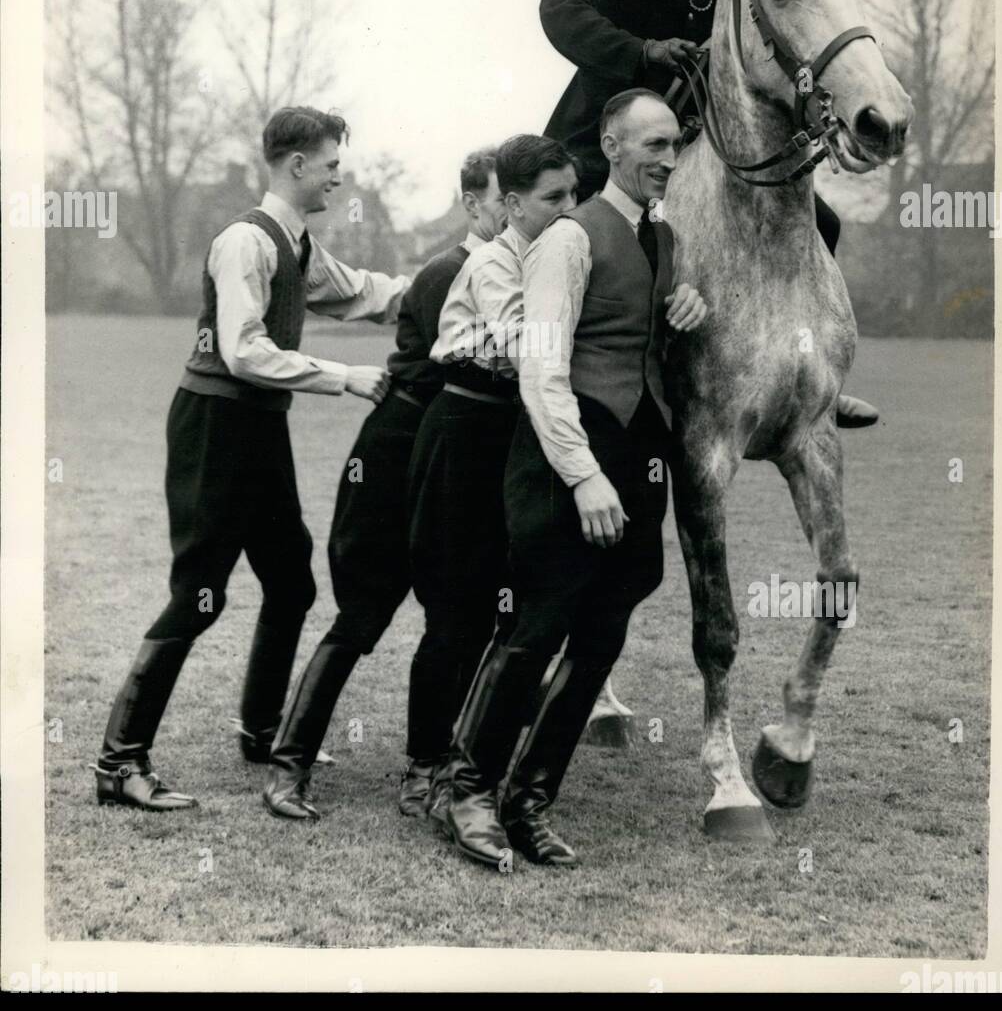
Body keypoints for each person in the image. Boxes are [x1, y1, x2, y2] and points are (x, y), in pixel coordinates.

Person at [92, 106, 408, 811]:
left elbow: (360, 293)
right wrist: (344, 376)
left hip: (258, 427)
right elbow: (242, 350)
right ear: (296, 166)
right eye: (331, 165)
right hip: (216, 426)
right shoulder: (246, 242)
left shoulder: (294, 244)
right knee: (199, 594)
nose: (338, 178)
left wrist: (451, 281)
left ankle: (260, 730)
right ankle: (119, 760)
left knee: (291, 582)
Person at [539, 0, 877, 427]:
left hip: (697, 130)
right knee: (562, 224)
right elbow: (561, 8)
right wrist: (640, 51)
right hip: (606, 125)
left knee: (816, 223)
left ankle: (816, 385)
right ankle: (540, 370)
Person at [439, 91, 708, 868]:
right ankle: (467, 791)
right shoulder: (567, 237)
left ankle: (529, 799)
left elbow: (645, 340)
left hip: (636, 452)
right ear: (612, 147)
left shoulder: (665, 236)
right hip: (569, 454)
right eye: (652, 144)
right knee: (536, 628)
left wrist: (685, 303)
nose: (667, 157)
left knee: (601, 635)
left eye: (675, 144)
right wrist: (585, 477)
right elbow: (542, 370)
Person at [262, 148, 506, 820]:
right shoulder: (450, 274)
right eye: (498, 200)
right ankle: (289, 766)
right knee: (362, 618)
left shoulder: (506, 273)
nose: (512, 214)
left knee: (454, 621)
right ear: (474, 204)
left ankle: (426, 766)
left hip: (451, 466)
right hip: (395, 461)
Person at [397, 135, 581, 817]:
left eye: (574, 195)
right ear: (512, 204)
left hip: (514, 438)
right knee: (454, 613)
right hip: (464, 434)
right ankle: (422, 765)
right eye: (553, 198)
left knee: (507, 606)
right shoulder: (493, 264)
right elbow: (522, 344)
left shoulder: (556, 258)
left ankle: (466, 756)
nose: (569, 209)